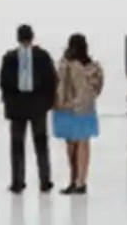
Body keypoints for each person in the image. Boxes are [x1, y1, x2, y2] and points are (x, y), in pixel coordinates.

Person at [0, 24, 57, 193]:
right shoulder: (12, 57)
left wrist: (46, 102)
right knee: (30, 143)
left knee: (30, 143)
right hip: (24, 106)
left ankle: (33, 180)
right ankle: (29, 180)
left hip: (31, 105)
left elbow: (51, 81)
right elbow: (5, 83)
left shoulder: (39, 56)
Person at [52, 33, 103, 195]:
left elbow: (57, 84)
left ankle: (75, 180)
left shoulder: (64, 64)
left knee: (73, 145)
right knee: (82, 144)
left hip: (66, 108)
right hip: (84, 109)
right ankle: (80, 181)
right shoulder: (92, 67)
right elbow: (97, 88)